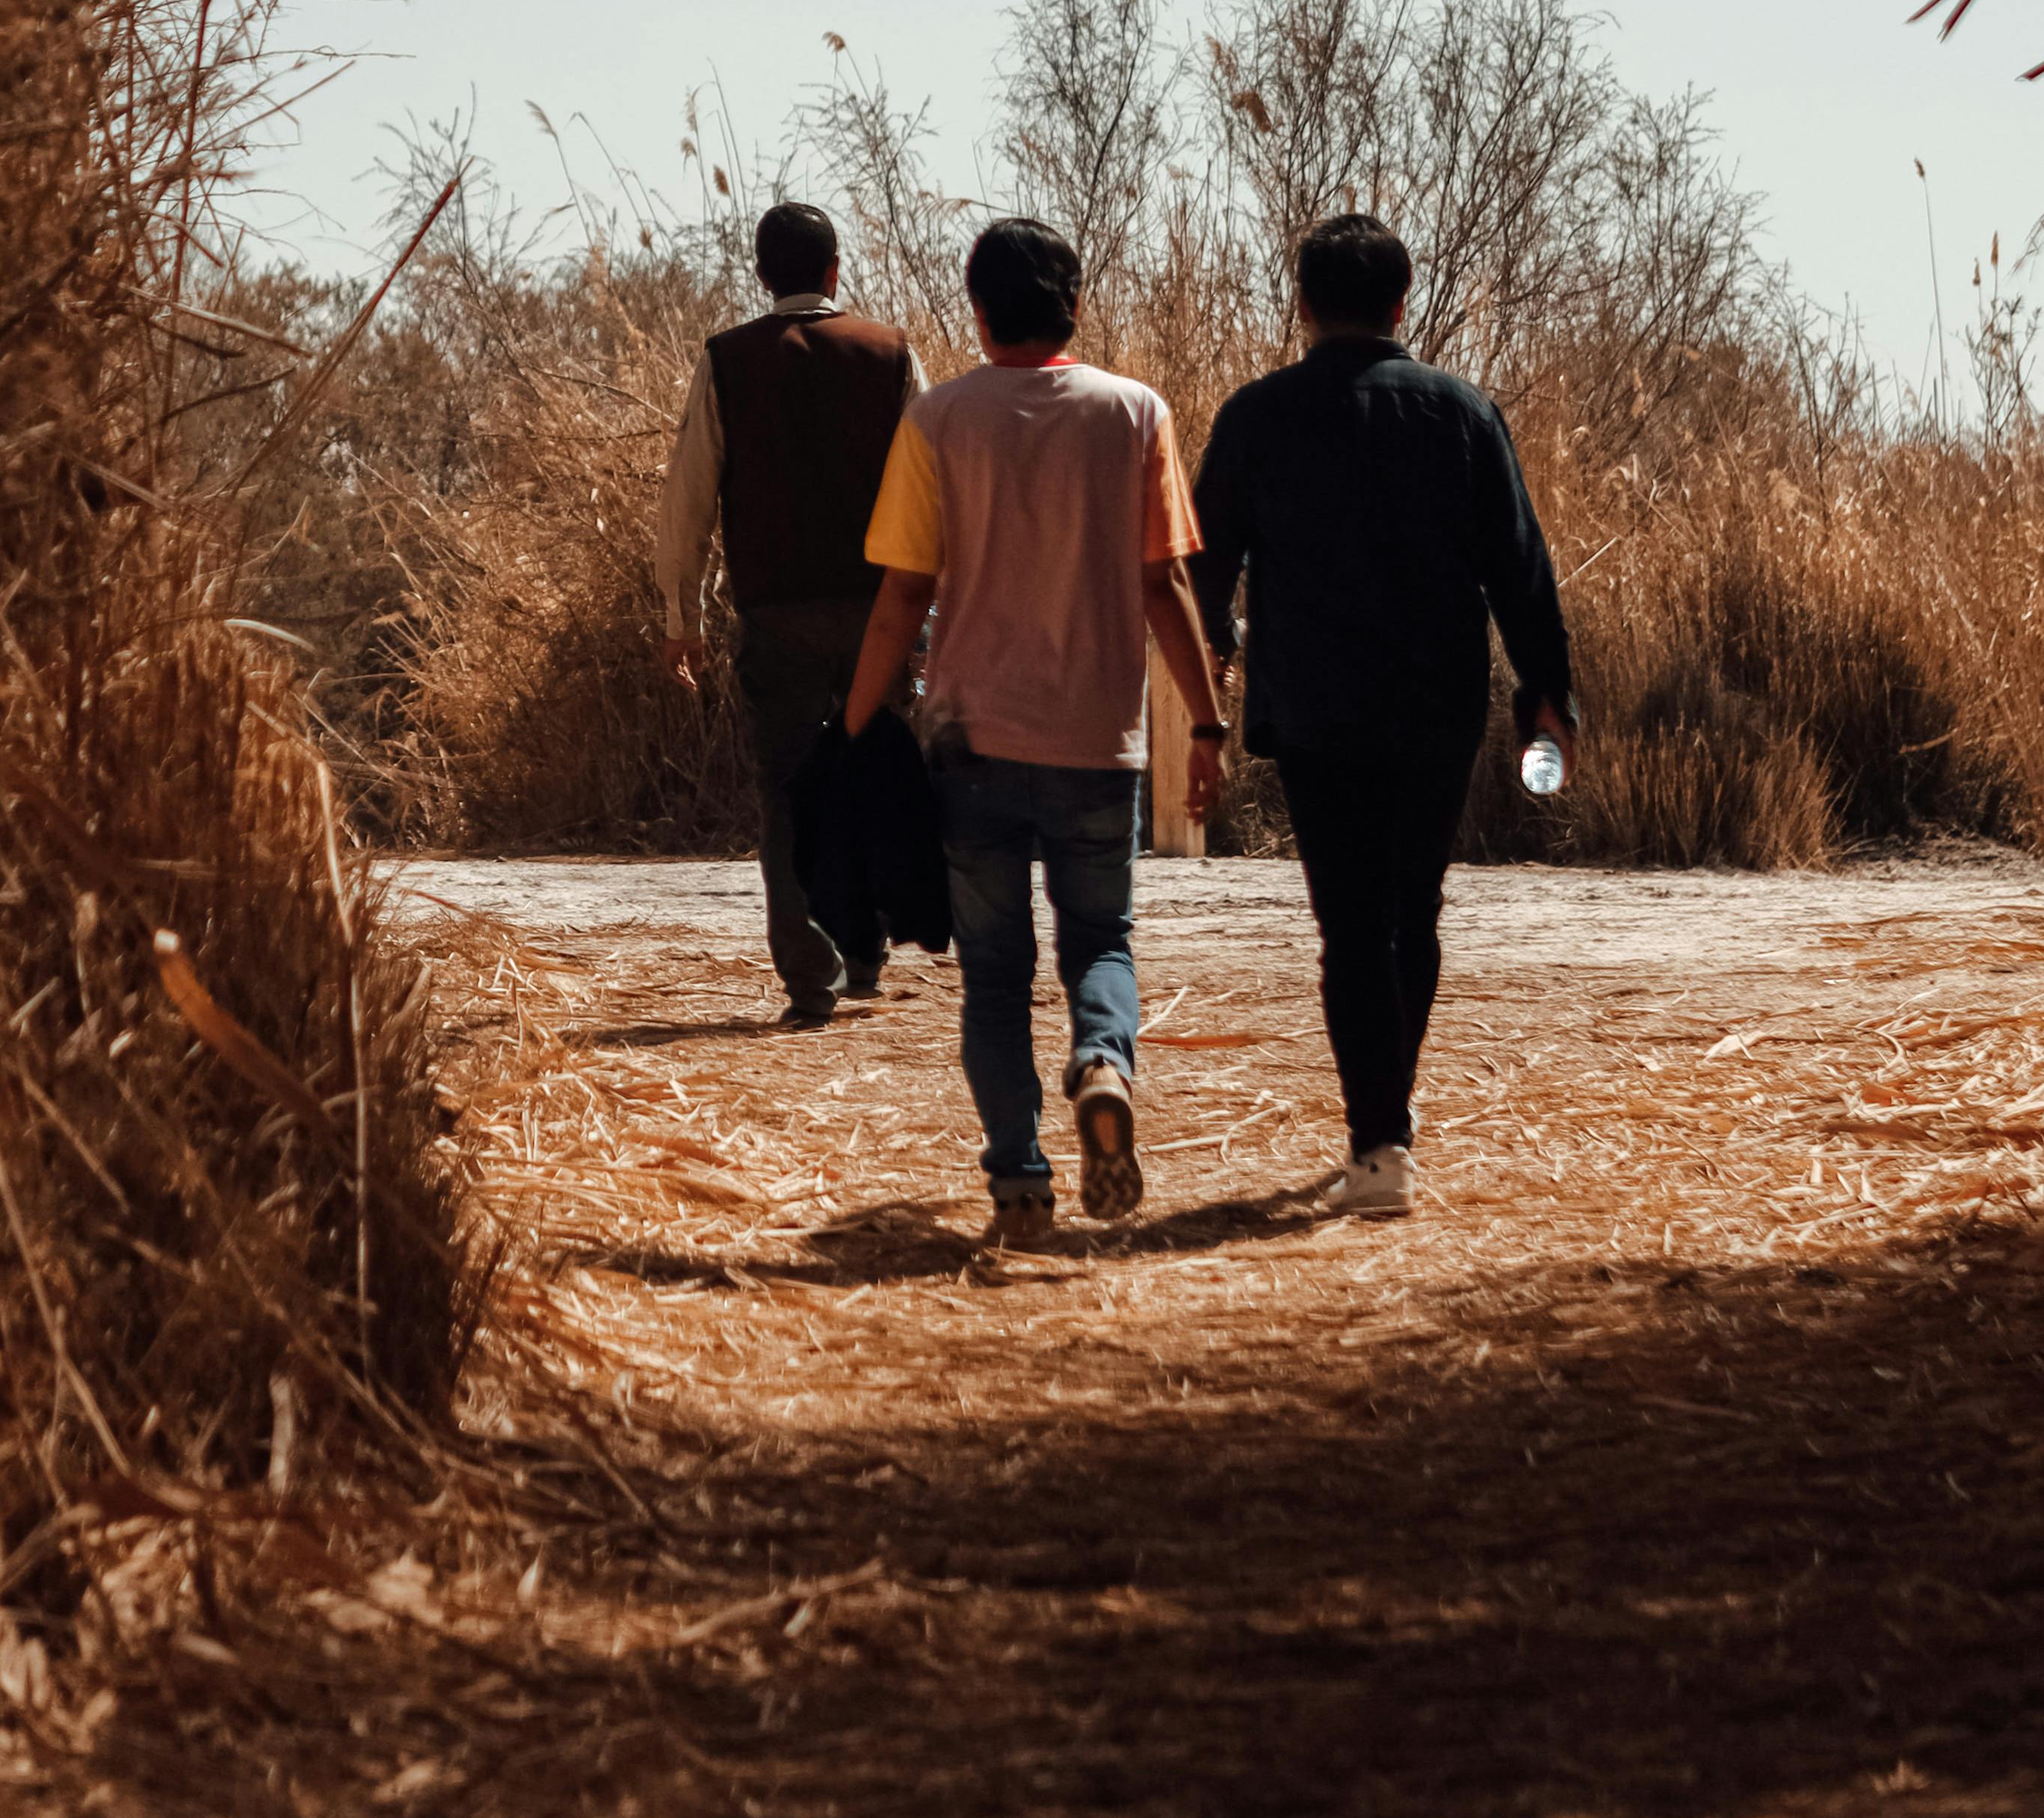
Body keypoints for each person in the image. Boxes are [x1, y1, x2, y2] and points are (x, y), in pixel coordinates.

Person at [842, 218, 1224, 1253]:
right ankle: (1103, 1063)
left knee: (996, 971)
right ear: (1073, 304)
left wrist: (853, 722)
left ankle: (1017, 1178)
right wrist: (1205, 718)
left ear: (976, 307)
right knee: (1098, 939)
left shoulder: (937, 421)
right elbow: (1164, 583)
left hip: (970, 743)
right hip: (1099, 745)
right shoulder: (1134, 414)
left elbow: (900, 596)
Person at [1191, 212, 1575, 1220]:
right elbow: (1519, 568)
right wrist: (1544, 695)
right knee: (1414, 910)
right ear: (1400, 302)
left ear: (1303, 304)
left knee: (1349, 923)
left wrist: (1217, 652)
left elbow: (1204, 560)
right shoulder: (1458, 411)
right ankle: (1386, 1120)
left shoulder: (1256, 415)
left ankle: (1377, 1136)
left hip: (1315, 707)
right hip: (1432, 704)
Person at [658, 200, 915, 1028]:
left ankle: (810, 975)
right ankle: (868, 950)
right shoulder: (891, 355)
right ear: (836, 269)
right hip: (881, 607)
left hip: (777, 613)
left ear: (762, 275)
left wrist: (682, 614)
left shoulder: (728, 359)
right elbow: (934, 482)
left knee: (789, 792)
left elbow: (688, 497)